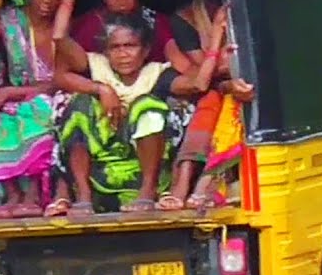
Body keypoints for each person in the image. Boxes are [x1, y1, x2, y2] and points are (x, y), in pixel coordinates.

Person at [52, 12, 222, 214]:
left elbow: (200, 84)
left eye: (130, 46)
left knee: (148, 105)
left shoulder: (157, 73)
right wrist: (101, 89)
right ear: (105, 52)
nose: (123, 54)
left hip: (143, 168)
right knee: (78, 103)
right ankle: (83, 195)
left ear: (145, 50)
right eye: (115, 47)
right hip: (101, 169)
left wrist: (216, 41)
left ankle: (148, 191)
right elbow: (60, 39)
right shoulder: (97, 67)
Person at [0, 0, 65, 218]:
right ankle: (12, 193)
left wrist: (8, 92)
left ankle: (33, 194)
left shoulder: (64, 25)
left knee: (35, 111)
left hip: (54, 96)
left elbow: (58, 82)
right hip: (22, 95)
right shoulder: (13, 20)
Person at [160, 0, 254, 211]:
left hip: (234, 91)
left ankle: (199, 184)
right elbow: (207, 81)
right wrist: (216, 36)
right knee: (213, 102)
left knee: (226, 104)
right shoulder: (181, 31)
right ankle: (187, 183)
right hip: (213, 91)